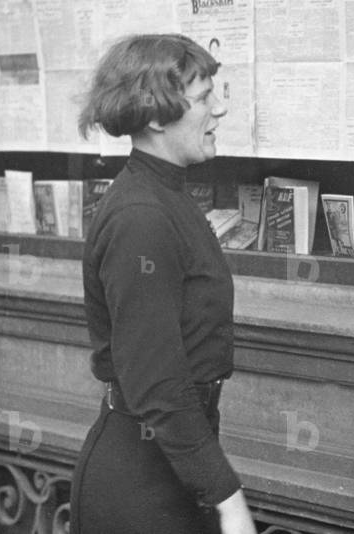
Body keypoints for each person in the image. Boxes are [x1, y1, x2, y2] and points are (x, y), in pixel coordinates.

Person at [70, 35, 257, 534]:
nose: (220, 110)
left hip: (170, 471)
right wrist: (227, 498)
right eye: (203, 99)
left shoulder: (163, 195)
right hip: (139, 490)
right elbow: (156, 380)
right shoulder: (141, 215)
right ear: (156, 116)